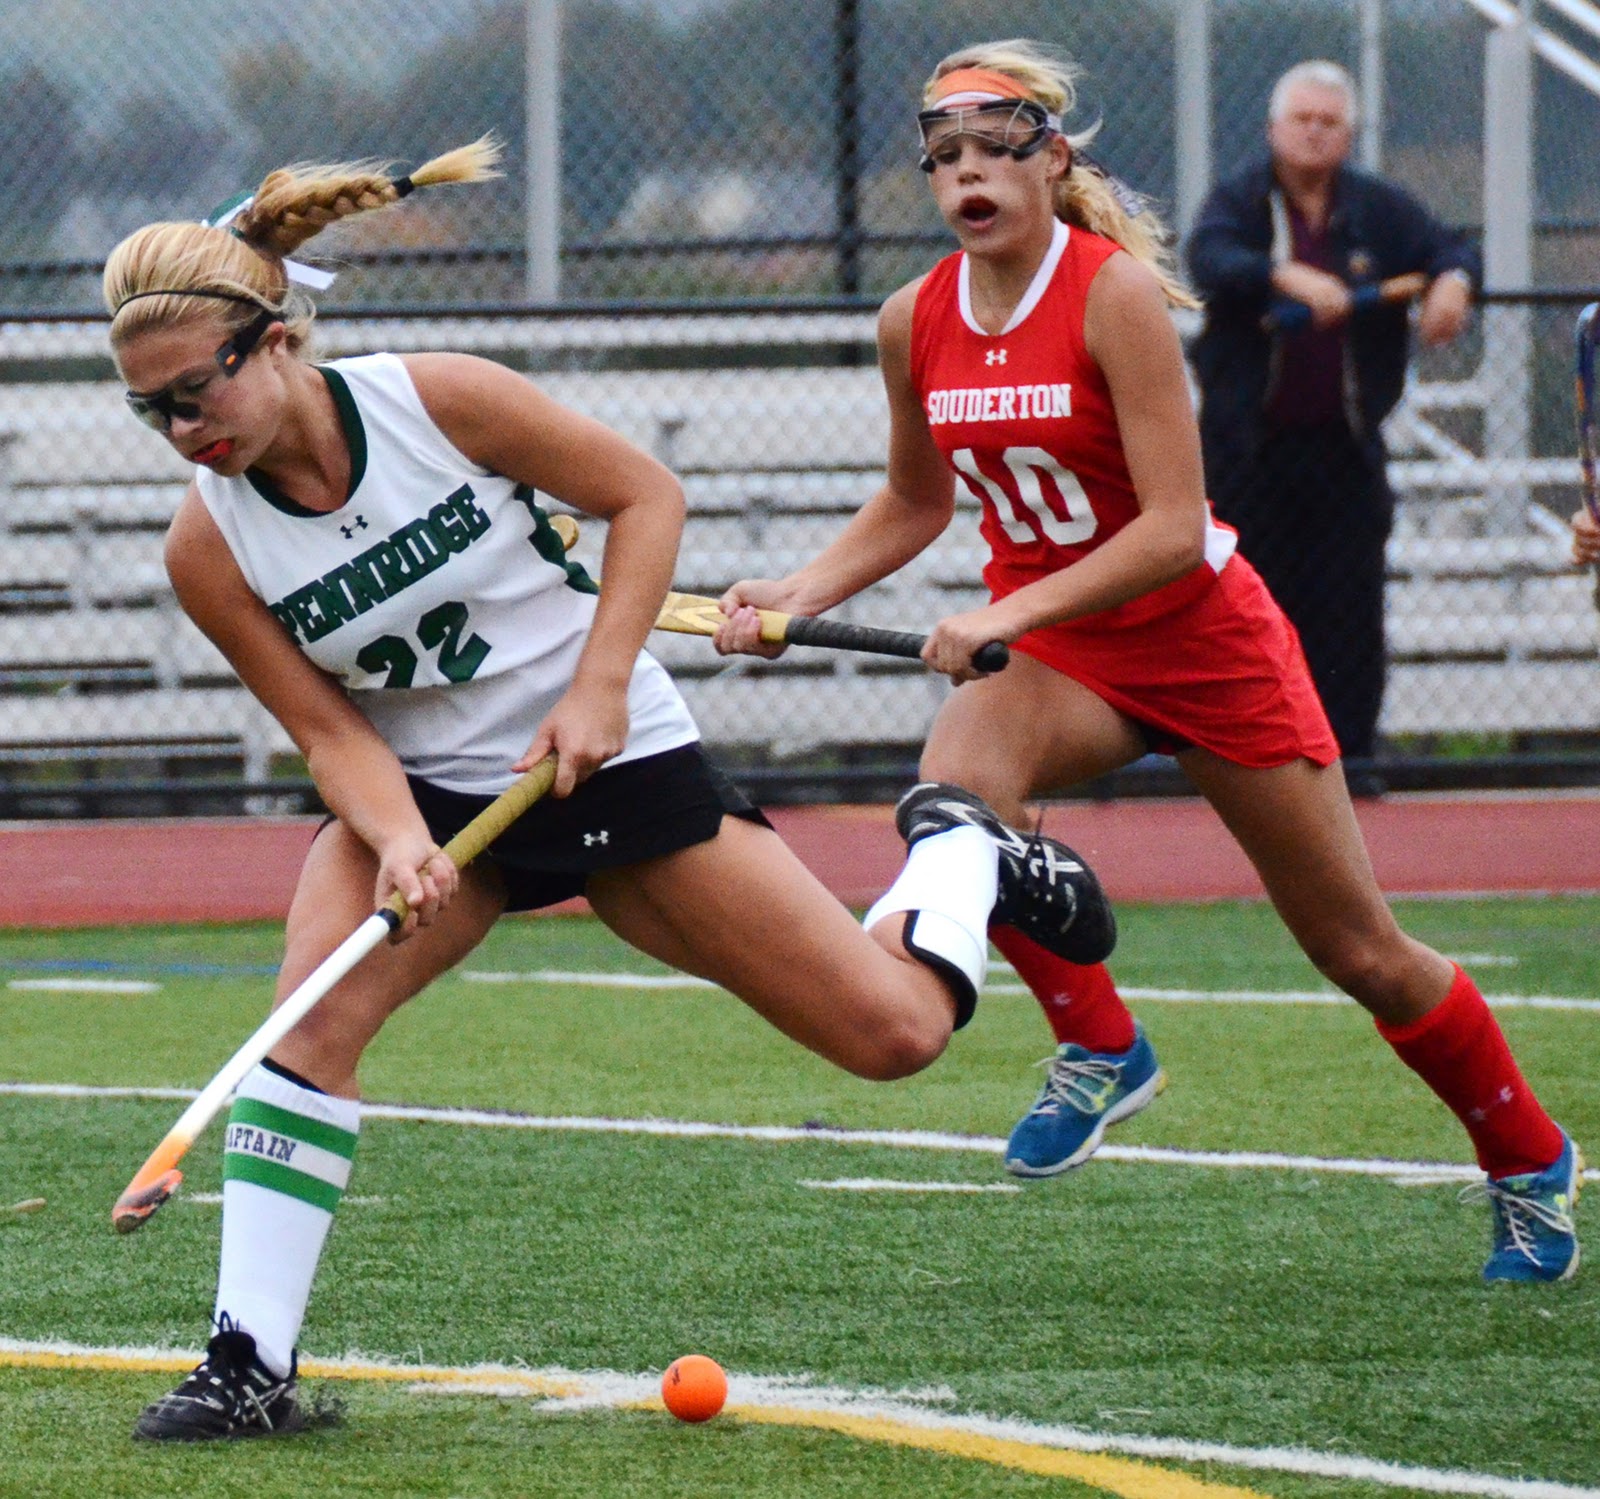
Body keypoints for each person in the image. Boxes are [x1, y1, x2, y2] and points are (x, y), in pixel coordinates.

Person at [104, 137, 1116, 1441]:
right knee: (308, 1023)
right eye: (155, 412)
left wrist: (595, 686)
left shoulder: (435, 400)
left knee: (895, 1035)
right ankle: (249, 1361)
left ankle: (966, 851)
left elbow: (646, 496)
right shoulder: (209, 545)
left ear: (277, 339)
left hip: (615, 757)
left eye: (197, 390)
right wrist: (400, 836)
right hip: (433, 794)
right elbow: (326, 730)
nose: (188, 431)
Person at [716, 40, 1580, 1285]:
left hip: (1201, 640)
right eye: (945, 157)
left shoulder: (1109, 294)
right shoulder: (912, 319)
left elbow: (1174, 530)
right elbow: (912, 501)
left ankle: (1527, 1157)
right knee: (955, 802)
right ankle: (1102, 1042)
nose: (967, 175)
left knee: (1360, 952)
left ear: (1050, 162)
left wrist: (1008, 610)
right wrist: (795, 590)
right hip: (1061, 648)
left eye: (993, 151)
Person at [1185, 60, 1480, 778]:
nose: (1314, 133)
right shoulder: (1240, 202)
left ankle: (1352, 764)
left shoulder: (1377, 208)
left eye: (1329, 122)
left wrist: (1454, 281)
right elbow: (1208, 258)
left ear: (1349, 134)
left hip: (1345, 450)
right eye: (1302, 119)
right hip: (1248, 454)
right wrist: (1281, 275)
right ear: (1273, 129)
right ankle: (1250, 765)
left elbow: (1451, 247)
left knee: (1350, 612)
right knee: (1248, 614)